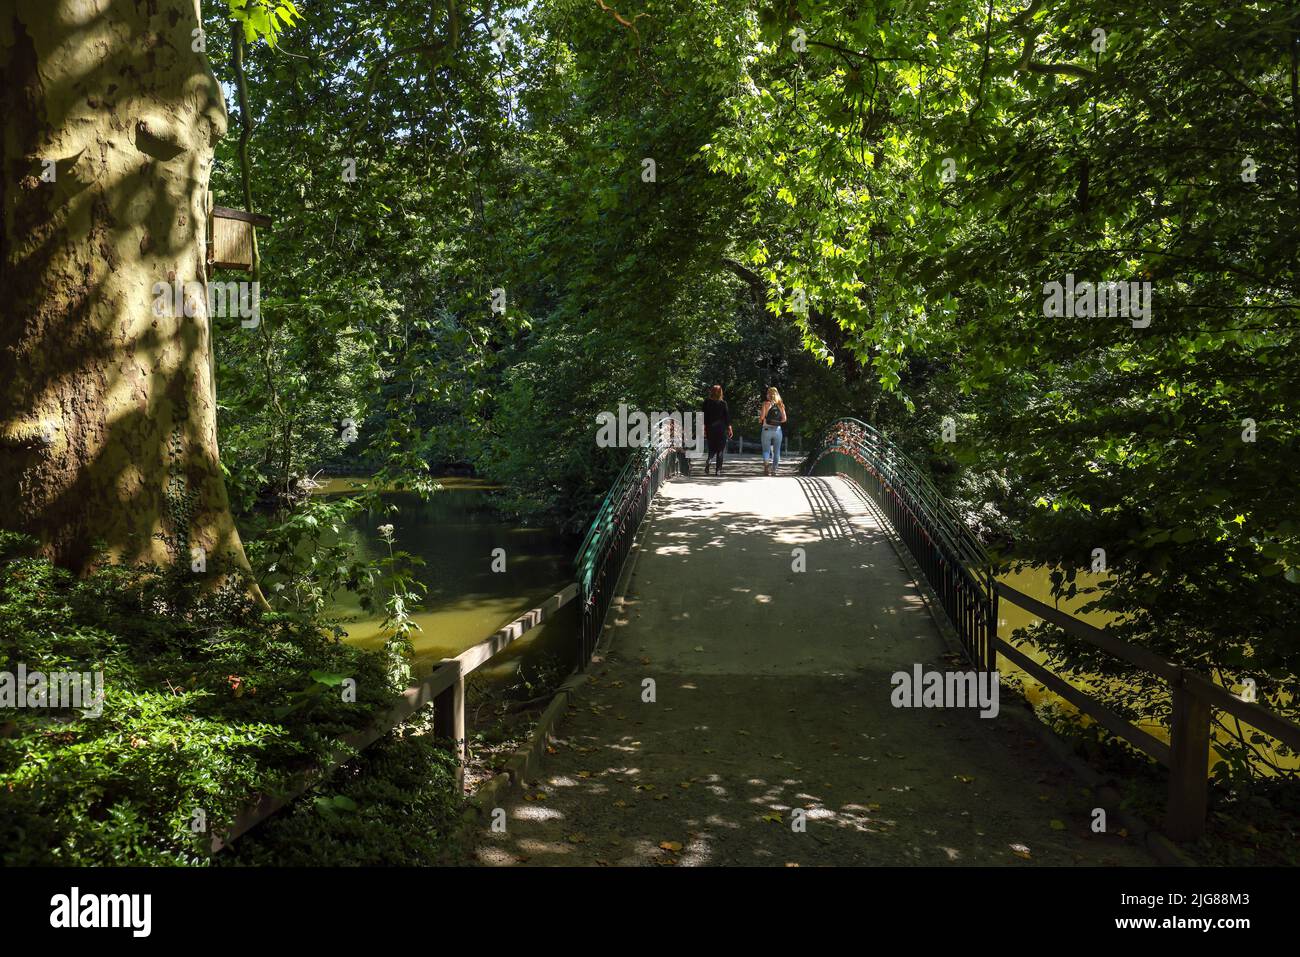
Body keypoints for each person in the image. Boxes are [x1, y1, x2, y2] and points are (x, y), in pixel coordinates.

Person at [702, 384, 732, 476]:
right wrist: (730, 428)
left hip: (710, 428)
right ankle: (718, 470)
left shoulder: (706, 402)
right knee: (720, 450)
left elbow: (703, 416)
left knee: (711, 448)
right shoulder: (723, 403)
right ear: (720, 392)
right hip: (721, 429)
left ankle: (709, 460)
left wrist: (703, 428)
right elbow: (727, 417)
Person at [759, 386, 787, 476]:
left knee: (766, 450)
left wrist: (760, 421)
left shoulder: (765, 404)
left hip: (766, 429)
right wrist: (777, 422)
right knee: (777, 451)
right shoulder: (780, 404)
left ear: (769, 394)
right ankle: (774, 470)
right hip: (777, 430)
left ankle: (766, 466)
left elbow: (762, 417)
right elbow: (784, 419)